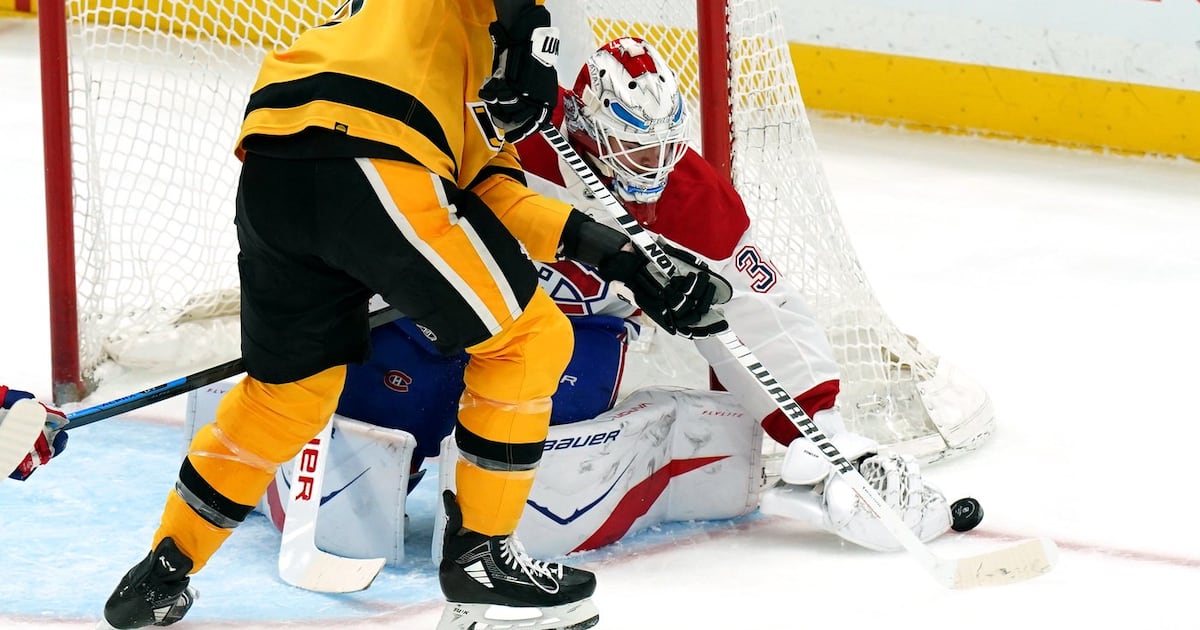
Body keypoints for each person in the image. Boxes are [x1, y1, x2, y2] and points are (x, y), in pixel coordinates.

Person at [96, 5, 725, 630]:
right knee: (530, 343)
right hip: (372, 149)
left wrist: (622, 258)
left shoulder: (426, 51)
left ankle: (161, 572)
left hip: (274, 163)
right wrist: (529, 53)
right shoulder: (472, 26)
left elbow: (496, 194)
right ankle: (482, 562)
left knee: (285, 399)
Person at [329, 37, 960, 559]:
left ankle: (488, 544)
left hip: (571, 345)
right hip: (448, 322)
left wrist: (819, 428)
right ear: (587, 127)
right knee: (387, 402)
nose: (651, 162)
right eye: (633, 144)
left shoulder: (691, 198)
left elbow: (759, 314)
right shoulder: (514, 151)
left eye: (661, 144)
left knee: (555, 417)